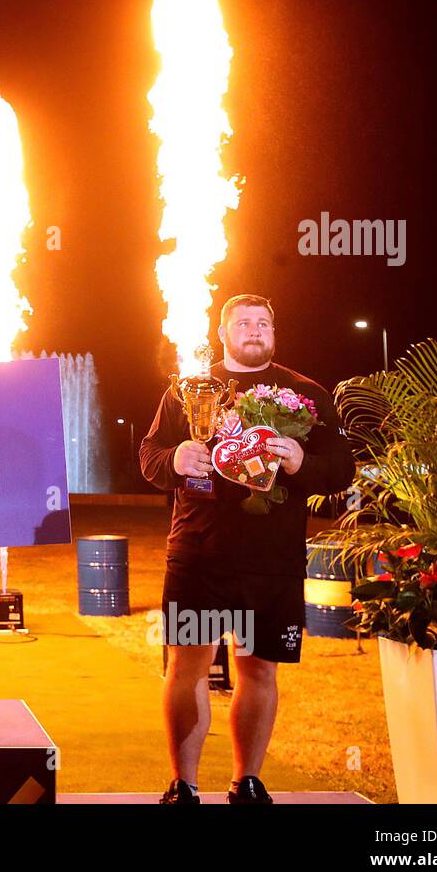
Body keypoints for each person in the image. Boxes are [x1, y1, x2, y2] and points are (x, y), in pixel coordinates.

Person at [139, 294, 355, 804]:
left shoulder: (306, 393)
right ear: (222, 332)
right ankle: (183, 783)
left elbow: (341, 468)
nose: (254, 330)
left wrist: (302, 460)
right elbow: (148, 456)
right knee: (187, 665)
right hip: (199, 552)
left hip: (272, 559)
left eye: (263, 323)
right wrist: (177, 458)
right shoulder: (190, 388)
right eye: (243, 323)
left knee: (258, 666)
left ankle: (247, 781)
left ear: (274, 334)